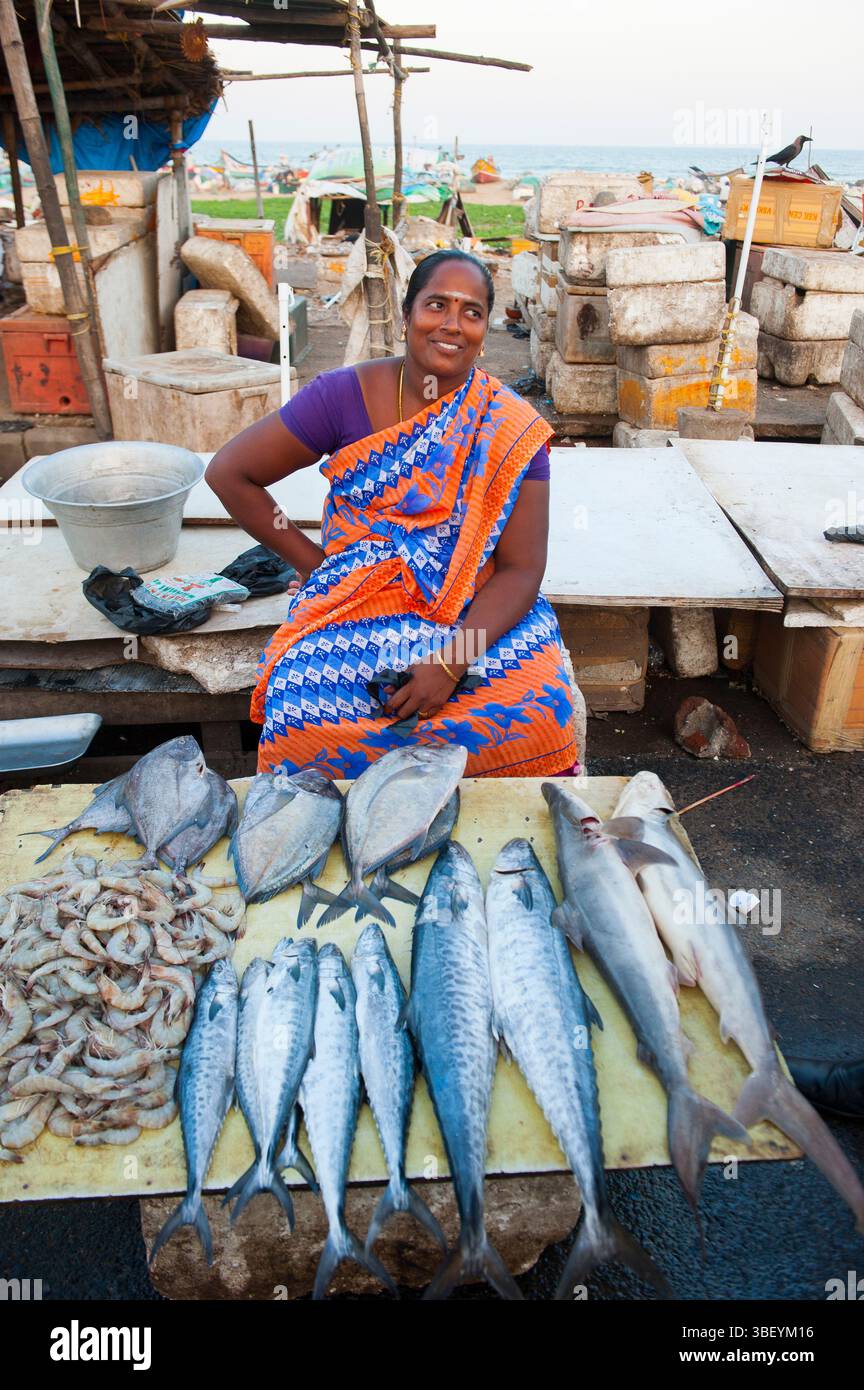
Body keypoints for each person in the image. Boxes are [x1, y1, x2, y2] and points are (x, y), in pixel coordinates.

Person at [206, 249, 579, 780]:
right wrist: (315, 566)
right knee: (301, 713)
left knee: (537, 713)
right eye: (437, 305)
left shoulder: (511, 427)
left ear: (485, 329)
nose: (452, 325)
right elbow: (231, 473)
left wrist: (452, 662)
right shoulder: (341, 397)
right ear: (406, 316)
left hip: (474, 605)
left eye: (471, 312)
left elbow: (521, 570)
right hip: (356, 601)